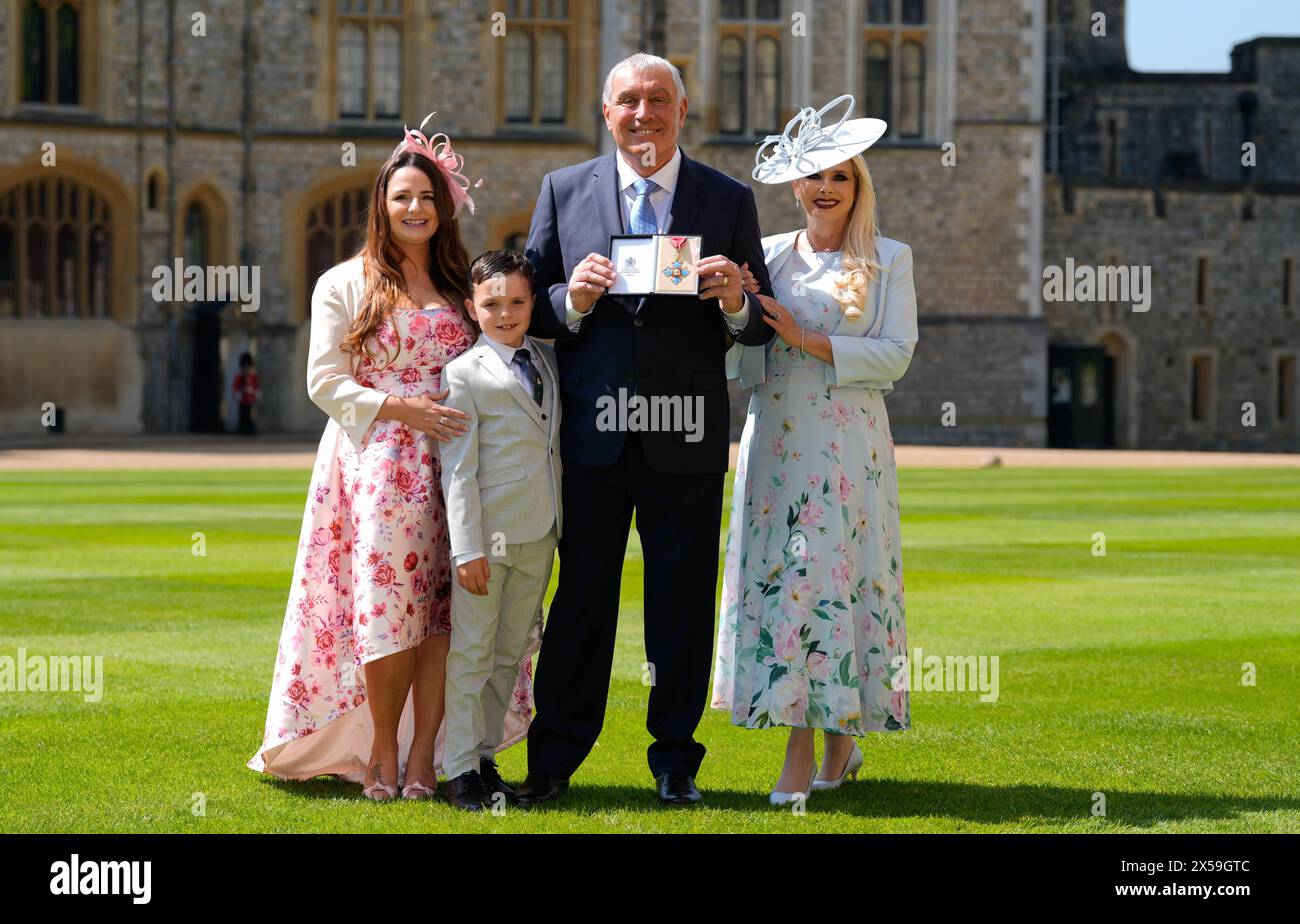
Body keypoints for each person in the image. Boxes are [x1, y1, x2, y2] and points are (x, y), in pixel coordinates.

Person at [248, 117, 535, 801]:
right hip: (378, 464)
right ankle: (380, 748)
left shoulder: (464, 281)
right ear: (382, 204)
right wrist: (406, 411)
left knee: (446, 612)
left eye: (428, 198)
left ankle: (425, 759)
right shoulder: (344, 283)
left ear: (445, 207)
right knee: (387, 609)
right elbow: (324, 380)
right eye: (402, 196)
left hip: (461, 461)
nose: (415, 209)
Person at [517, 52, 775, 807]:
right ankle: (554, 761)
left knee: (682, 609)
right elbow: (522, 306)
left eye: (658, 100)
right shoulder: (563, 192)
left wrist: (733, 302)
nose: (643, 113)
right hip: (593, 438)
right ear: (607, 114)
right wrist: (572, 300)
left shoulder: (726, 199)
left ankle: (676, 764)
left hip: (686, 439)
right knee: (581, 604)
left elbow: (758, 324)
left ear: (681, 111)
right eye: (628, 100)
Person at [714, 95, 917, 805]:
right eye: (815, 178)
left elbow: (896, 355)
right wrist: (737, 309)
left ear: (858, 187)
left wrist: (808, 338)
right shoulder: (765, 255)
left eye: (842, 177)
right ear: (795, 187)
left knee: (840, 581)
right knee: (787, 582)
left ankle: (809, 750)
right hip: (776, 437)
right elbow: (742, 351)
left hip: (851, 444)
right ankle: (837, 742)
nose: (827, 189)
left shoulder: (889, 259)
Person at [438, 250, 562, 812]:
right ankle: (459, 769)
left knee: (511, 652)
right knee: (472, 652)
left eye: (517, 302)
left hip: (541, 533)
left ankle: (485, 758)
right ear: (472, 308)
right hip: (486, 540)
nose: (506, 313)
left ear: (534, 303)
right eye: (493, 304)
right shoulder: (461, 374)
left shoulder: (551, 359)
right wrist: (466, 549)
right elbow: (458, 469)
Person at [232, 352, 261, 435]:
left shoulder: (253, 377)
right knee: (242, 416)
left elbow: (256, 386)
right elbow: (236, 387)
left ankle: (249, 429)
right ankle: (242, 429)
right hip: (243, 399)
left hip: (250, 399)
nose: (247, 369)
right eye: (245, 367)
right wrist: (238, 395)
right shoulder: (239, 377)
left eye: (248, 367)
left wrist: (257, 395)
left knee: (250, 416)